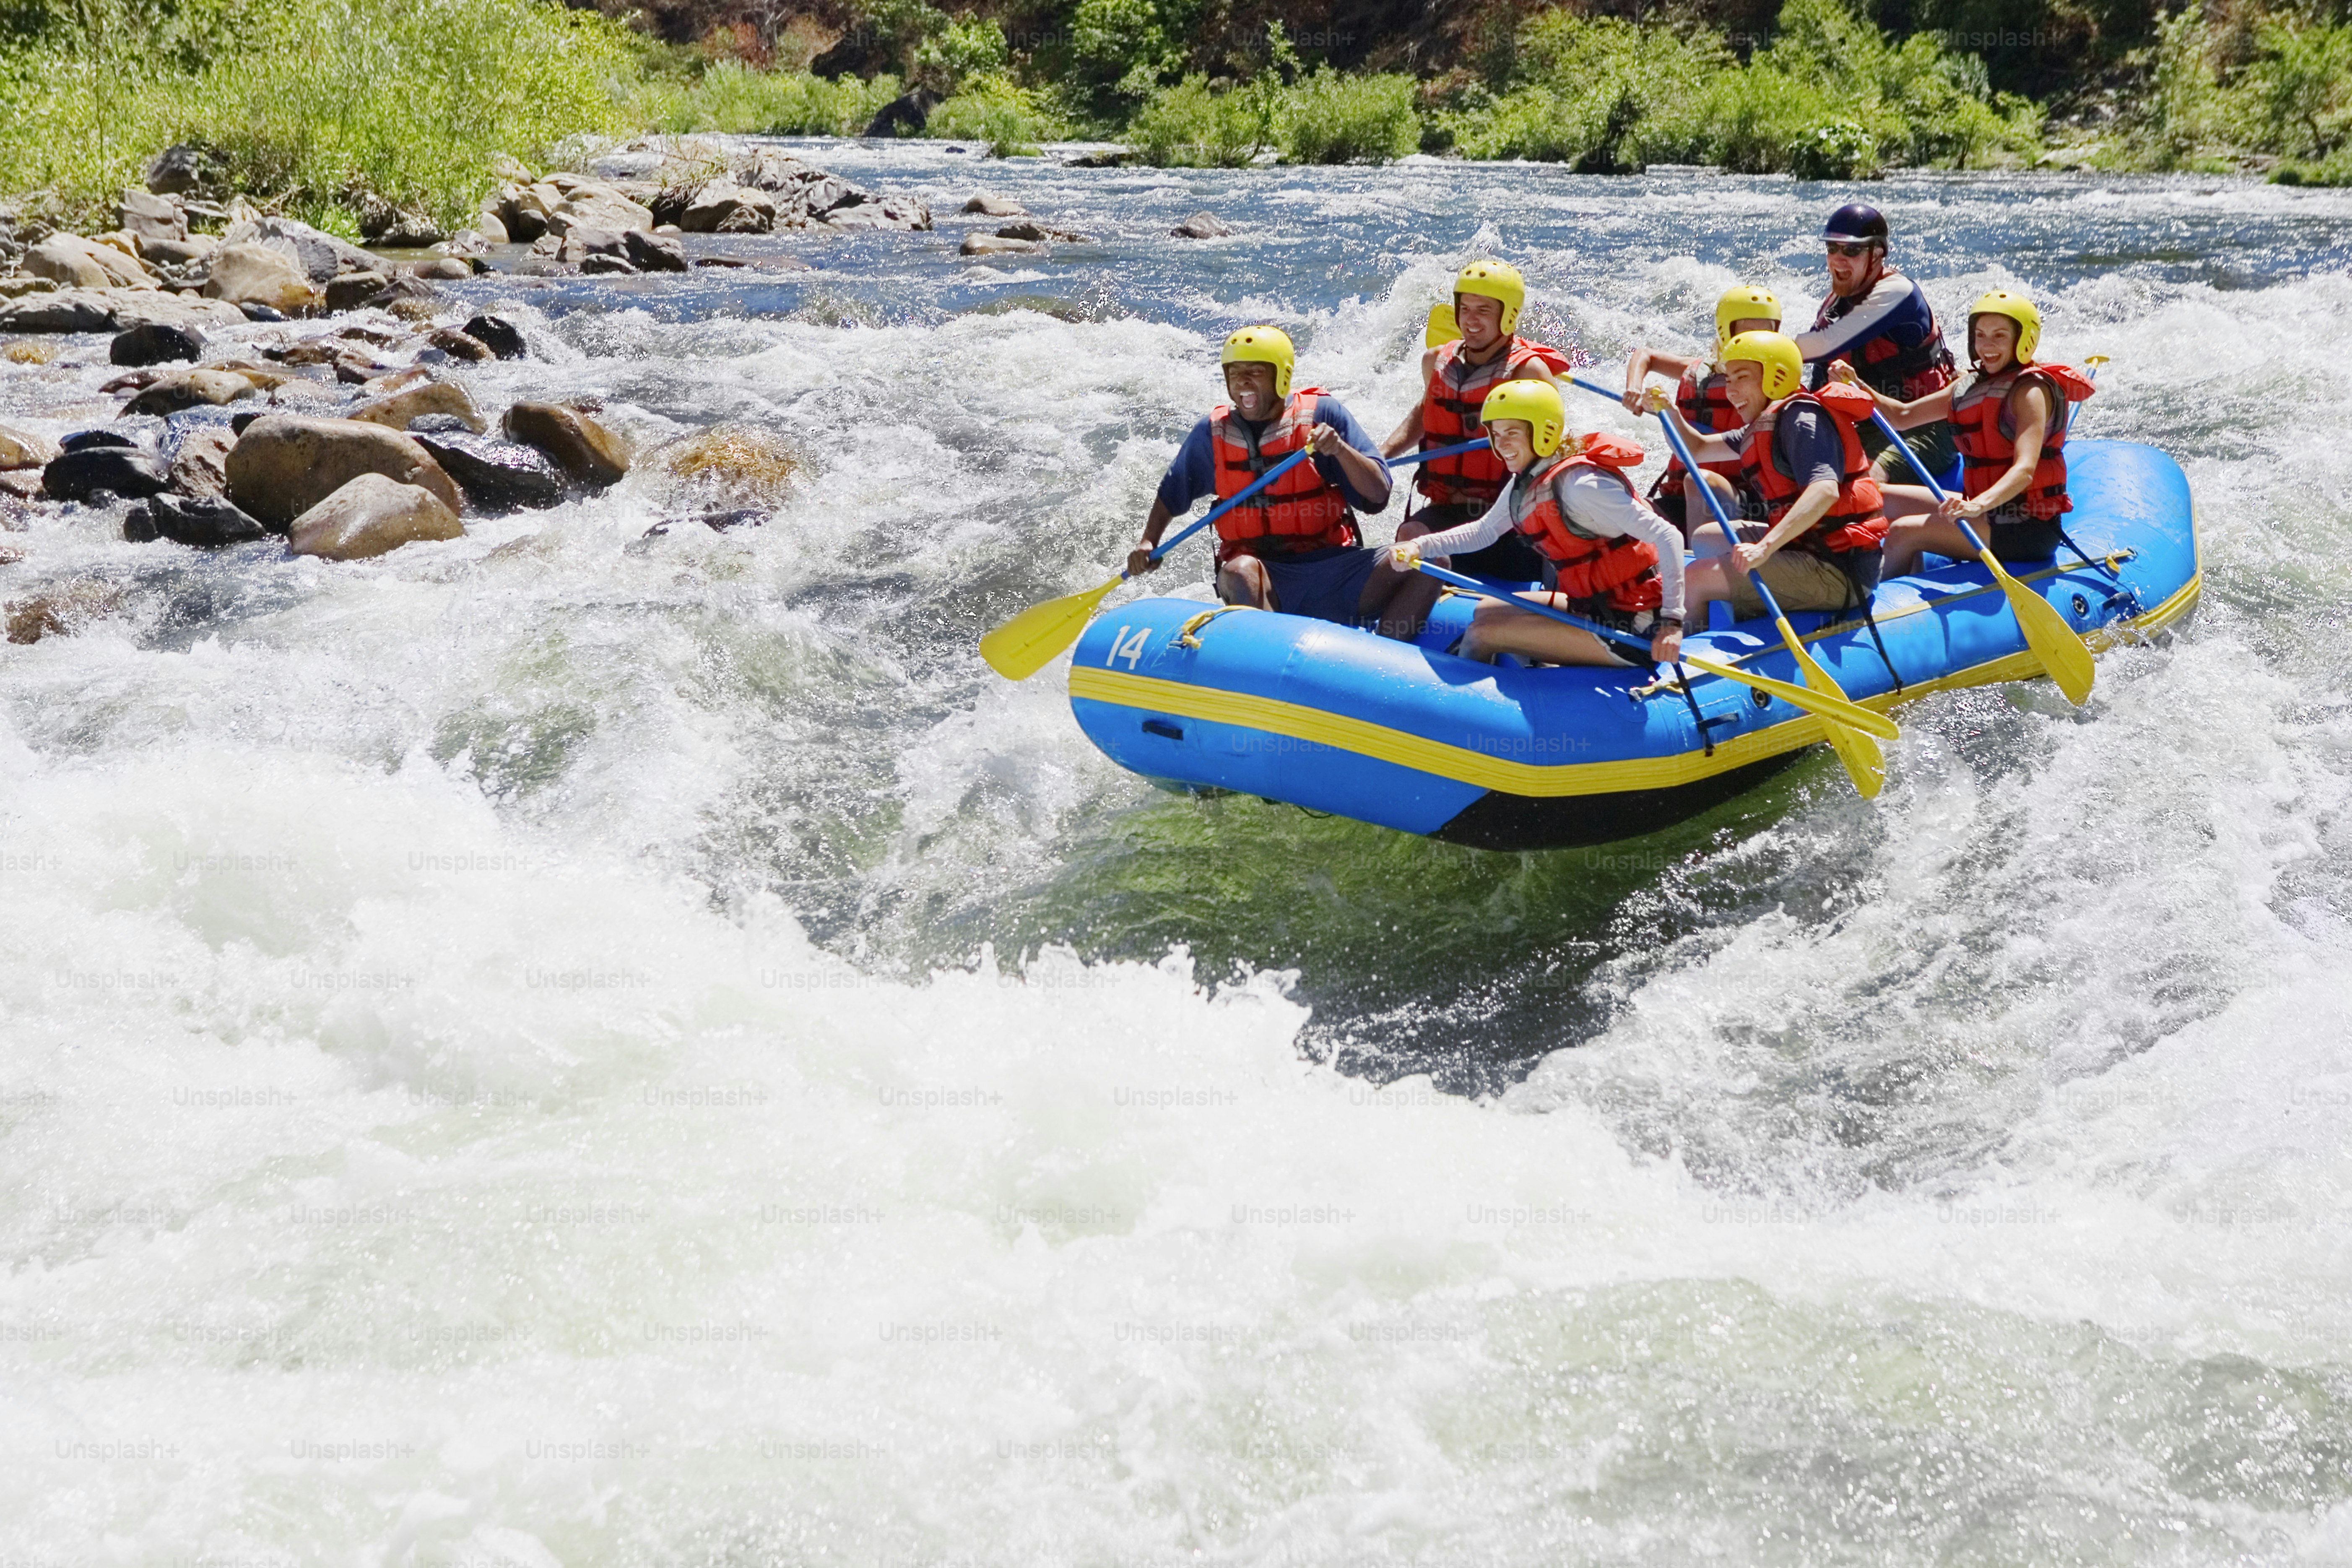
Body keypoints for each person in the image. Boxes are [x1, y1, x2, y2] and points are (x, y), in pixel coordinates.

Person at [1127, 326, 1437, 637]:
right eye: (1234, 373)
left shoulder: (1324, 415)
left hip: (1335, 570)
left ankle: (1384, 658)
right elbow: (1172, 491)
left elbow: (1377, 496)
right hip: (1263, 576)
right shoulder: (1212, 433)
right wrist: (1148, 541)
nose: (1243, 381)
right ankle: (1263, 659)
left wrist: (1340, 451)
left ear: (1282, 376)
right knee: (1239, 571)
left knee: (1426, 556)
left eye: (1255, 372)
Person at [1392, 380, 1684, 668]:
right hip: (1591, 608)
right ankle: (1533, 674)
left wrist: (1672, 622)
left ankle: (1460, 707)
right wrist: (1420, 545)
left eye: (1511, 432)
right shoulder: (1531, 475)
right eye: (1495, 434)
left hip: (1633, 626)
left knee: (1481, 634)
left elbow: (1668, 535)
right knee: (1485, 610)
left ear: (1544, 431)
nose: (1501, 444)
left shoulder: (1582, 486)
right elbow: (1485, 531)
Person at [1834, 289, 2095, 578]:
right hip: (1983, 510)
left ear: (2023, 340)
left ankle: (1880, 607)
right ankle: (1908, 581)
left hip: (2025, 525)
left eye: (1999, 336)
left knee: (1902, 532)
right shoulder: (1969, 385)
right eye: (1981, 335)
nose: (1987, 346)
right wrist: (1857, 384)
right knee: (1877, 497)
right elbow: (1902, 416)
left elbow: (2024, 470)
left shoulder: (2030, 391)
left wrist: (1976, 505)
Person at [1648, 330, 1889, 624]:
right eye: (1728, 379)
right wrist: (1669, 413)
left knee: (1695, 579)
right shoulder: (1767, 422)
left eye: (1742, 377)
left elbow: (1825, 491)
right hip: (1806, 547)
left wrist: (1765, 548)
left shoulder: (1802, 420)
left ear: (1777, 376)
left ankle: (1689, 656)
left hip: (1840, 570)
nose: (1731, 391)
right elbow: (1695, 449)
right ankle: (1739, 615)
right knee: (1706, 538)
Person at [1380, 260, 1567, 581]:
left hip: (1510, 519)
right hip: (1449, 512)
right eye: (1465, 308)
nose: (1471, 319)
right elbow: (1427, 413)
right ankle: (1416, 606)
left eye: (1483, 310)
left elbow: (1556, 449)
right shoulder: (1435, 361)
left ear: (1507, 315)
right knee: (1410, 531)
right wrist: (1380, 455)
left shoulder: (1529, 372)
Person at [1792, 203, 1958, 485]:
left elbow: (1821, 346)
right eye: (1832, 248)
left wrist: (1757, 351)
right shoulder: (1835, 302)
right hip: (1870, 425)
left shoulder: (1898, 292)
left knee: (1865, 483)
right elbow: (1819, 376)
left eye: (1852, 250)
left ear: (1877, 254)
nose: (1838, 259)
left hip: (1926, 427)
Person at [1620, 283, 1782, 536]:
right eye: (1749, 332)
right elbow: (1646, 356)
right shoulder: (1700, 374)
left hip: (1748, 503)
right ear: (1726, 331)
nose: (1757, 341)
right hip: (1685, 499)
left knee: (1700, 481)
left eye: (1766, 332)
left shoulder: (1782, 387)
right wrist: (1635, 389)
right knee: (1622, 513)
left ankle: (1699, 567)